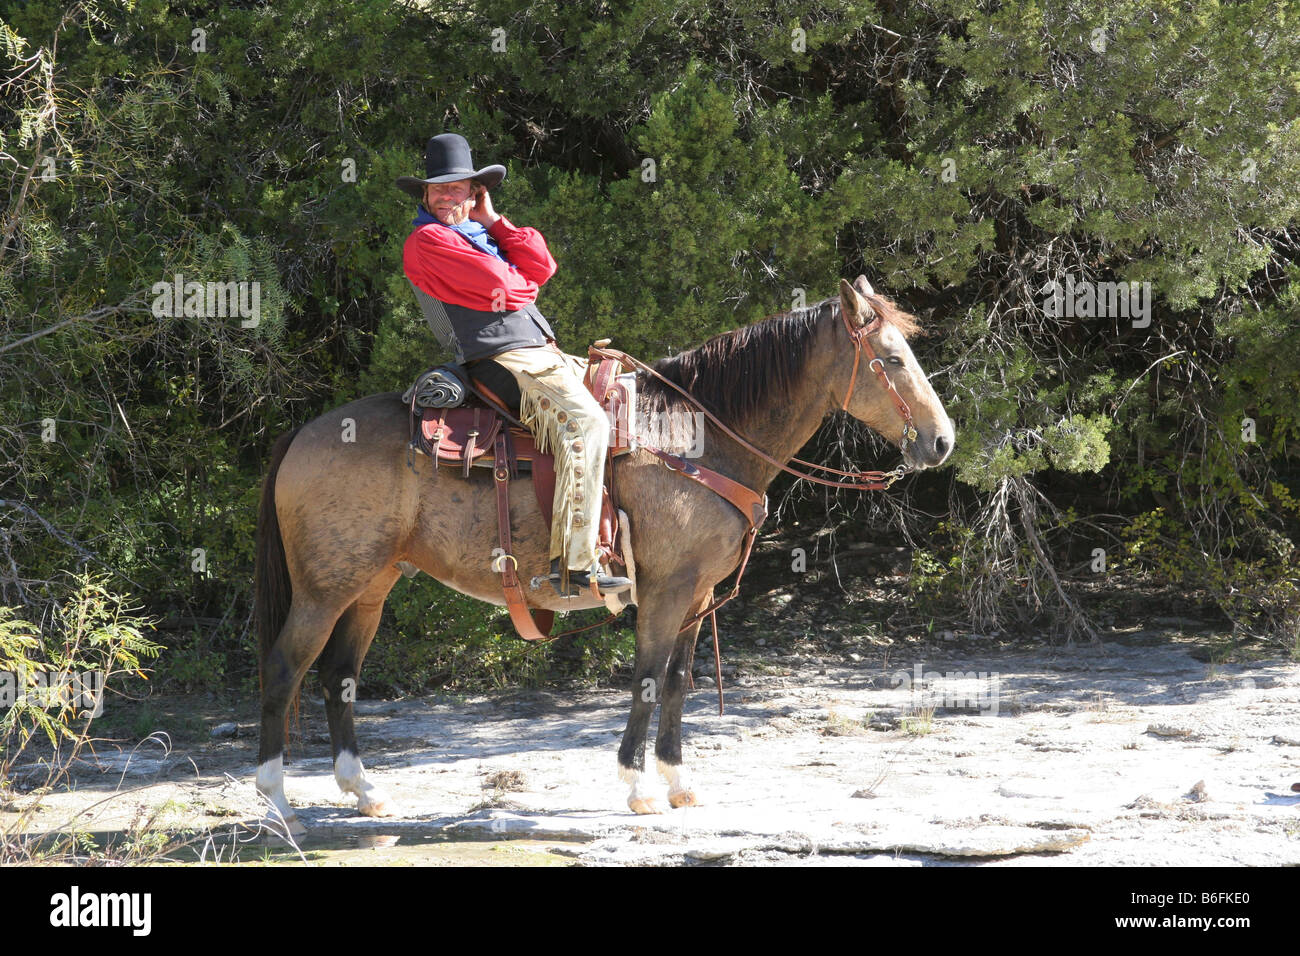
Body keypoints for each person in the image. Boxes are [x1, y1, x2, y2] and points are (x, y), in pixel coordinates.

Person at [397, 133, 631, 597]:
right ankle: (575, 563)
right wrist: (519, 278)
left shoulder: (478, 231)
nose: (447, 197)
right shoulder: (428, 240)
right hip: (502, 358)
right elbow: (508, 284)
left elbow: (540, 267)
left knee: (629, 392)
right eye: (438, 189)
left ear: (474, 192)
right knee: (586, 426)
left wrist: (495, 221)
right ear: (425, 194)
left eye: (458, 187)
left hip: (539, 354)